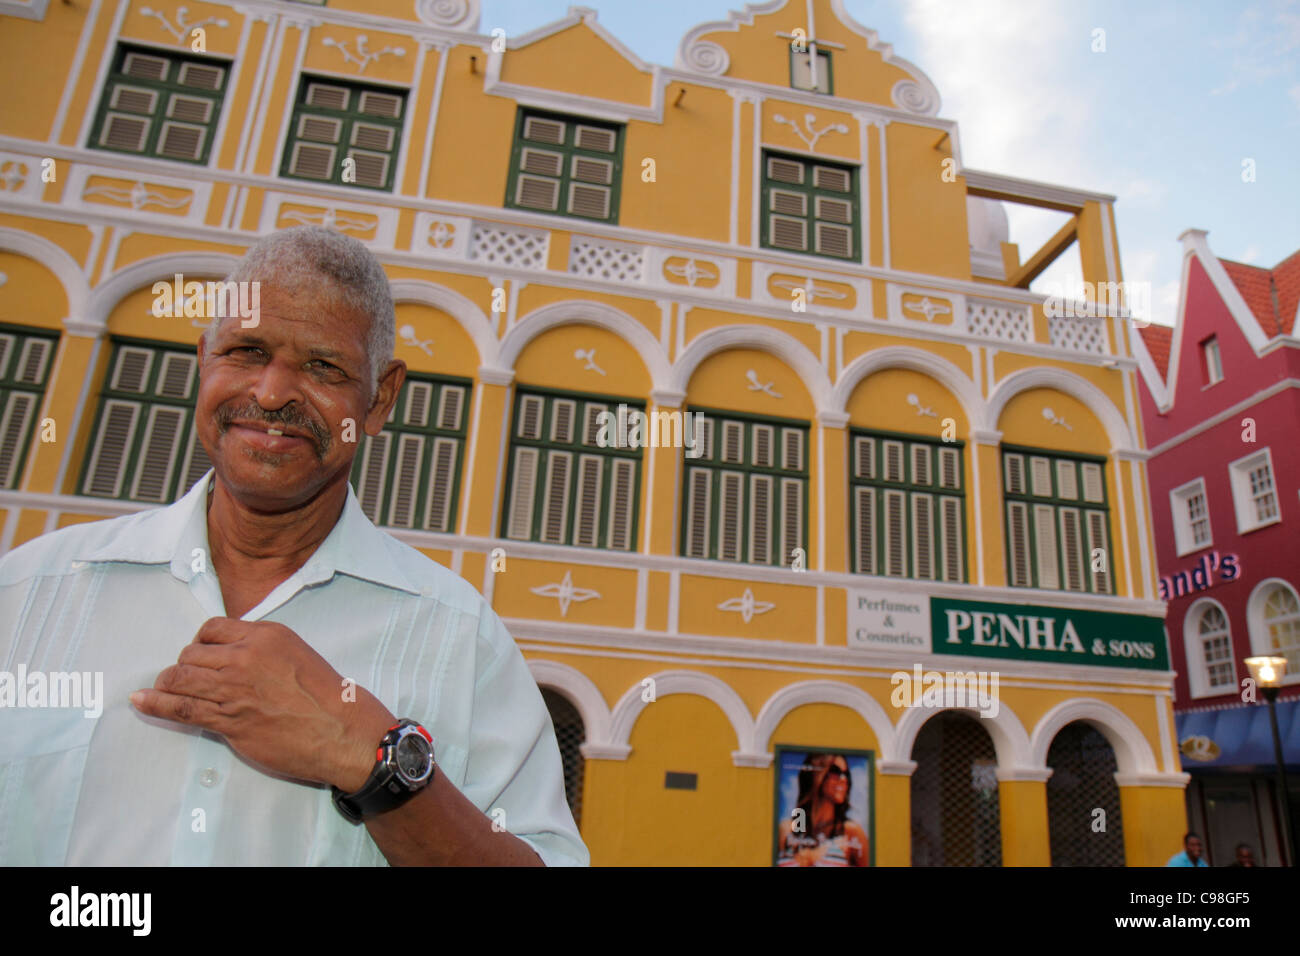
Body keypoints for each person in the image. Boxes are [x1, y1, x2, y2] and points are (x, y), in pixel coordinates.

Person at [0, 226, 588, 866]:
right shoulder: (27, 594)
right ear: (205, 361)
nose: (273, 393)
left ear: (379, 398)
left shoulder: (462, 640)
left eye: (322, 366)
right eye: (247, 352)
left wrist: (372, 761)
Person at [777, 752, 869, 866]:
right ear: (816, 774)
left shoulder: (850, 832)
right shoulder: (786, 830)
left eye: (846, 774)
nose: (843, 779)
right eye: (835, 771)